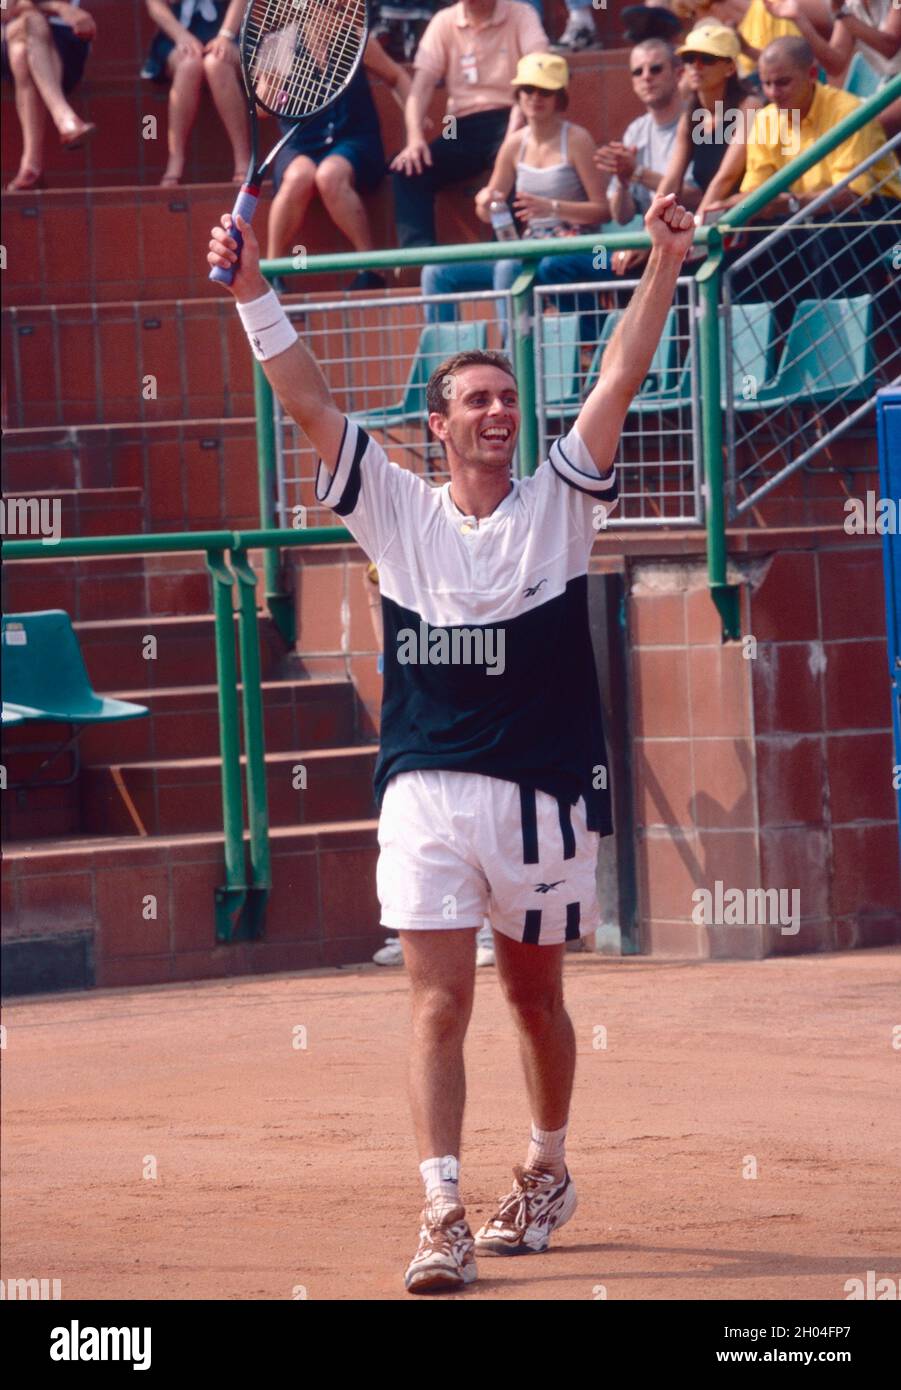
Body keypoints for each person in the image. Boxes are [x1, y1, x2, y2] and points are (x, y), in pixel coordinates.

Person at [208, 187, 696, 1295]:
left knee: (533, 997)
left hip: (540, 793)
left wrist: (662, 261)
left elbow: (617, 374)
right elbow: (308, 401)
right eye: (473, 399)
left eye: (506, 400)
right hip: (424, 790)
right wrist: (249, 291)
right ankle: (440, 1211)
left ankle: (547, 1165)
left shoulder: (563, 498)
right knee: (437, 1000)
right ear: (435, 423)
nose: (494, 413)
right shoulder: (391, 508)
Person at [705, 36, 901, 306]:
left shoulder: (847, 111)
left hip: (880, 214)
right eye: (766, 84)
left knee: (831, 239)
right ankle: (763, 340)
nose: (773, 93)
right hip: (811, 215)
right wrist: (724, 209)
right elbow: (755, 192)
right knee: (742, 251)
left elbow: (852, 197)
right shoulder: (765, 118)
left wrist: (787, 204)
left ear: (811, 74)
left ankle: (836, 336)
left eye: (783, 82)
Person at [420, 53, 606, 331]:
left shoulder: (577, 139)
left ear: (559, 97)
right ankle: (445, 366)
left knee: (509, 267)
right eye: (528, 89)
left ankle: (513, 357)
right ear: (518, 95)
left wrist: (552, 207)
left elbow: (602, 211)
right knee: (436, 272)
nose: (535, 97)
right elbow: (487, 207)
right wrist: (486, 201)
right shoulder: (514, 144)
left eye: (545, 90)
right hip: (527, 246)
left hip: (571, 245)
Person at [391, 0, 548, 251]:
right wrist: (414, 139)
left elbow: (536, 72)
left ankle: (504, 253)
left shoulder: (521, 13)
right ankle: (419, 256)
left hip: (512, 117)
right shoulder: (443, 21)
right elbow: (421, 87)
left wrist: (513, 134)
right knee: (409, 169)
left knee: (521, 158)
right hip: (459, 125)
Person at [267, 35, 412, 294]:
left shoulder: (358, 39)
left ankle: (371, 268)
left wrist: (415, 132)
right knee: (298, 177)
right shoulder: (278, 43)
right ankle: (272, 273)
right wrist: (271, 84)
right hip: (300, 143)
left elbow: (397, 77)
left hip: (355, 140)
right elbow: (262, 108)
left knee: (329, 176)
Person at [143, 0, 250, 187]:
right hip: (177, 33)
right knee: (189, 65)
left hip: (229, 29)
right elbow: (155, 5)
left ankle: (244, 158)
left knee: (216, 64)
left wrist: (225, 36)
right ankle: (175, 159)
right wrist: (181, 36)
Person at [657, 21, 761, 212]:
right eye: (689, 58)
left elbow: (726, 177)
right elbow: (671, 181)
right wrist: (653, 220)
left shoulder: (749, 106)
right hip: (715, 222)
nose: (696, 66)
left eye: (707, 58)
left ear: (730, 68)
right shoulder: (690, 117)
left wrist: (699, 227)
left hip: (752, 220)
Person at [763, 0, 901, 135]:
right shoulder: (850, 6)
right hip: (890, 85)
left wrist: (842, 14)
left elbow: (890, 46)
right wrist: (799, 19)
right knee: (836, 125)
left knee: (867, 128)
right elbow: (835, 64)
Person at [1, 0, 97, 192]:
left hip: (65, 40)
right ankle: (64, 117)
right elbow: (5, 9)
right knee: (31, 24)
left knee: (22, 53)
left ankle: (31, 164)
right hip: (12, 36)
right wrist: (59, 8)